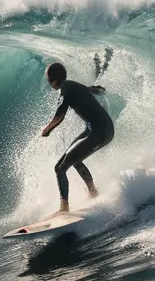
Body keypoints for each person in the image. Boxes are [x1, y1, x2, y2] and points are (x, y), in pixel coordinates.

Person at [41, 61, 115, 214]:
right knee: (74, 160)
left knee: (60, 168)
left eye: (48, 79)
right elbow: (92, 90)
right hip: (103, 129)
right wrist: (96, 89)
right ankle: (93, 193)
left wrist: (47, 129)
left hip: (98, 131)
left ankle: (64, 208)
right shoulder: (73, 85)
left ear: (53, 80)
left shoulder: (65, 89)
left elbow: (60, 115)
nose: (49, 83)